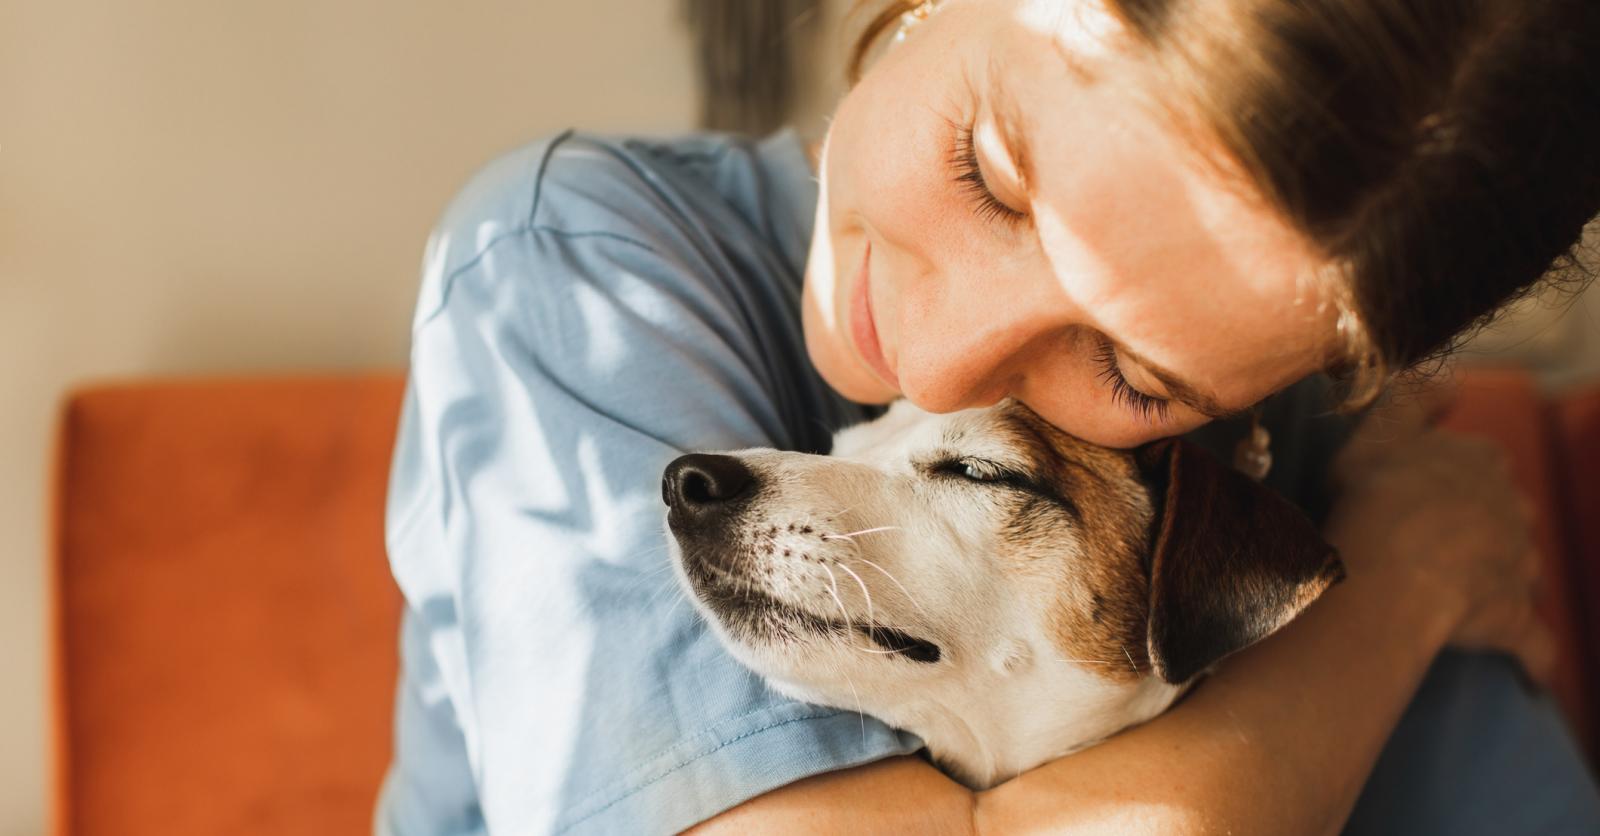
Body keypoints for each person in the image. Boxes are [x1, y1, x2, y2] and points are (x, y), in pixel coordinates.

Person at [373, 0, 1600, 833]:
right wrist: (1394, 591)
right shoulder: (572, 265)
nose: (942, 364)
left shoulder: (1253, 448)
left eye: (1132, 372)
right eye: (993, 176)